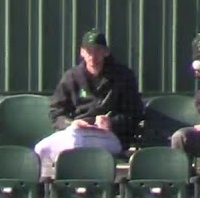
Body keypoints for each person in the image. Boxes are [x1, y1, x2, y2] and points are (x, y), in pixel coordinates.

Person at [35, 29, 143, 174]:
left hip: (111, 136)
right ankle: (47, 190)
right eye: (89, 51)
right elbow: (56, 111)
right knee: (41, 149)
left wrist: (112, 122)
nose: (93, 56)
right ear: (82, 52)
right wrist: (71, 123)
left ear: (106, 52)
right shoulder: (72, 76)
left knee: (77, 146)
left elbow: (135, 113)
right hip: (75, 131)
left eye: (98, 51)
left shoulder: (123, 77)